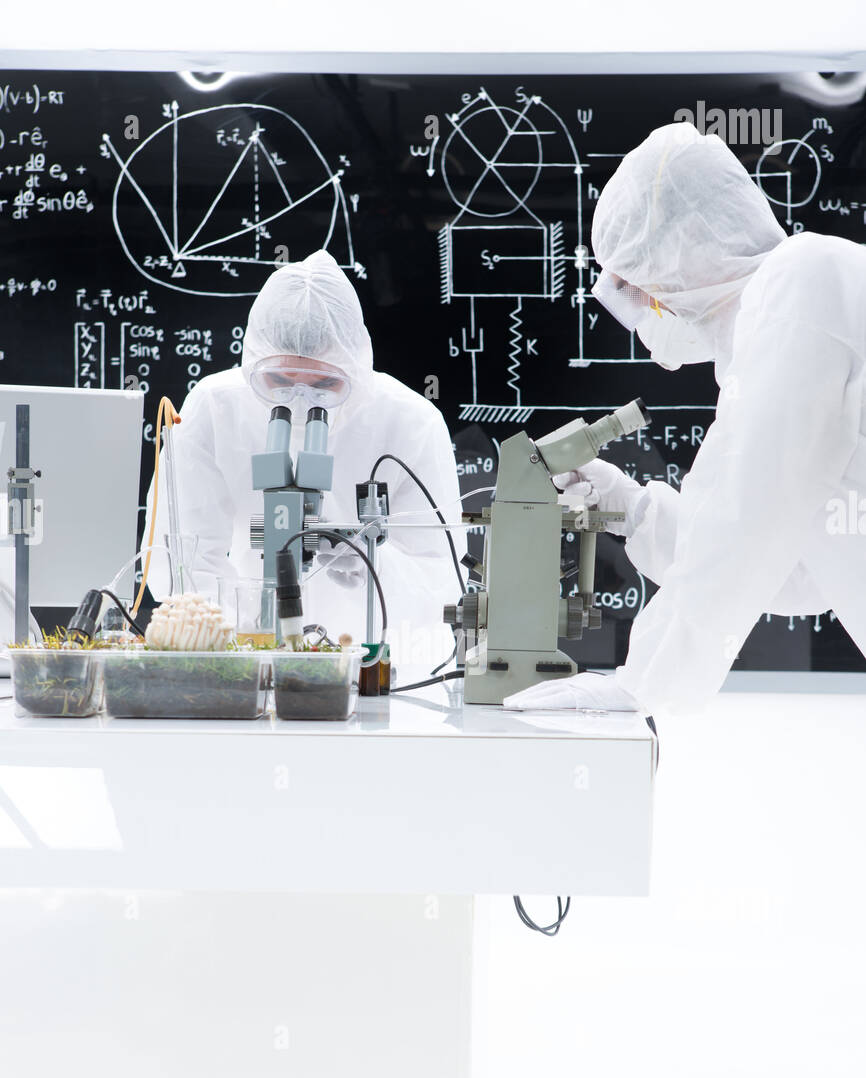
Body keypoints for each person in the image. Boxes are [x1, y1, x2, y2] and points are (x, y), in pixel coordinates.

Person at [505, 121, 866, 714]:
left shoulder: (805, 283)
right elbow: (796, 574)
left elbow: (747, 520)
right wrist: (635, 510)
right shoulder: (777, 328)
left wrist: (641, 683)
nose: (653, 312)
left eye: (642, 293)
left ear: (679, 259)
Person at [143, 250, 462, 670]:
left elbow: (441, 582)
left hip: (379, 669)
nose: (299, 401)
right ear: (253, 361)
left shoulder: (409, 421)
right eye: (278, 380)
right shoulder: (215, 408)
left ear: (355, 367)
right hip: (245, 664)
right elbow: (181, 564)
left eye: (324, 383)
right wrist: (248, 636)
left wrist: (371, 563)